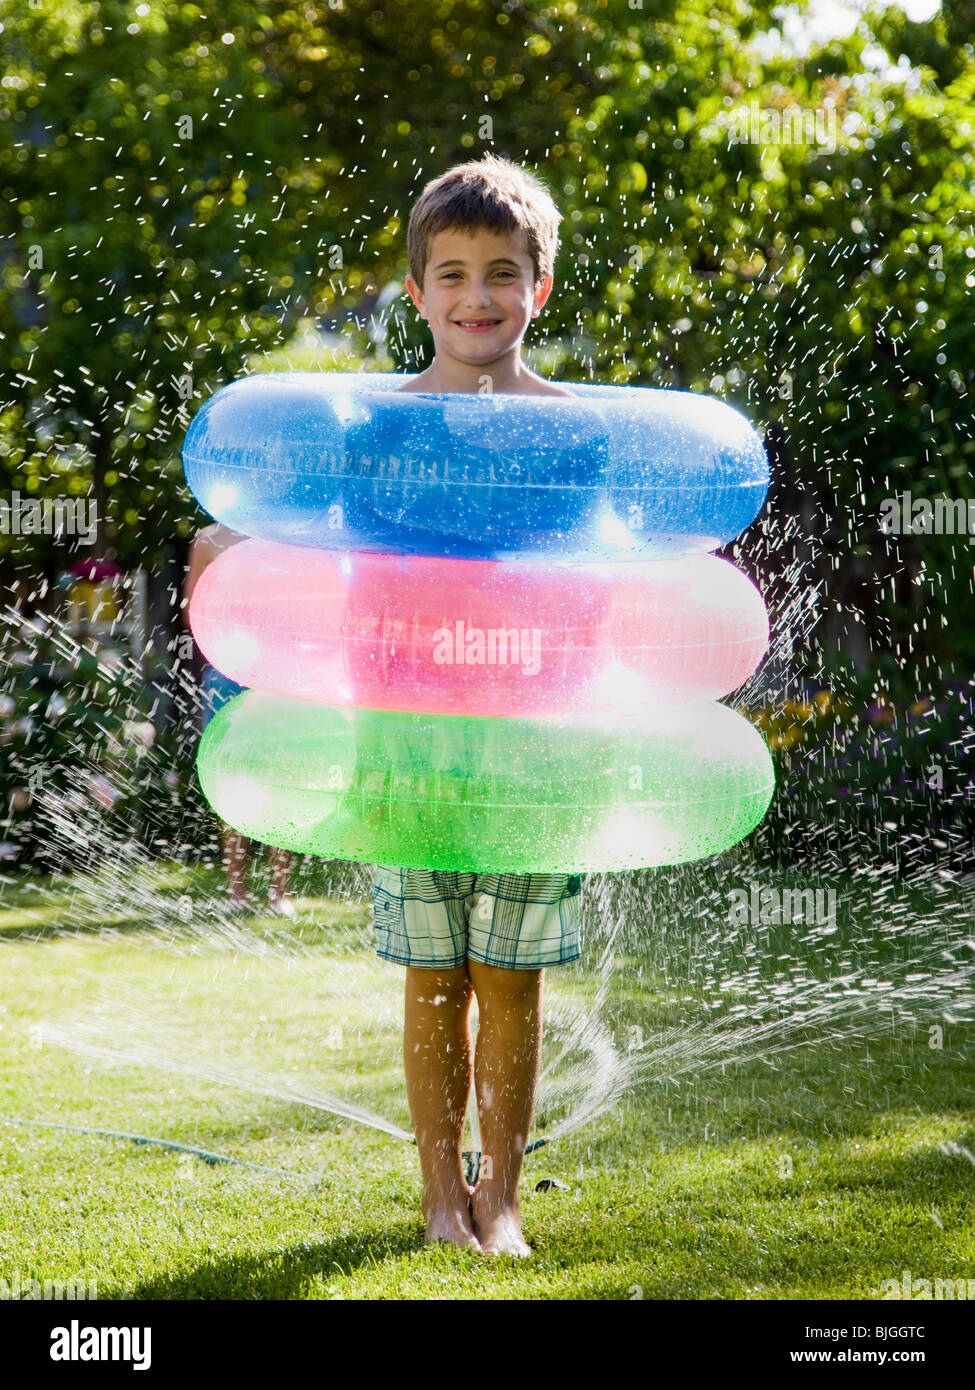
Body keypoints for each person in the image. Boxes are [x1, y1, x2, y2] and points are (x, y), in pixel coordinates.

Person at [373, 154, 583, 1256]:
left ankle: (499, 1195)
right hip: (412, 745)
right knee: (430, 974)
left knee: (509, 974)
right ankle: (437, 1190)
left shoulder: (575, 432)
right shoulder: (381, 429)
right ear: (417, 292)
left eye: (503, 272)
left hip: (533, 746)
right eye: (450, 274)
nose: (476, 297)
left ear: (539, 289)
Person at [183, 521, 295, 916]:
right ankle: (237, 893)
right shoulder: (210, 539)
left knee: (280, 775)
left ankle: (279, 893)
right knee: (230, 772)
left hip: (276, 671)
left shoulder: (281, 533)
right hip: (229, 669)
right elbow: (191, 610)